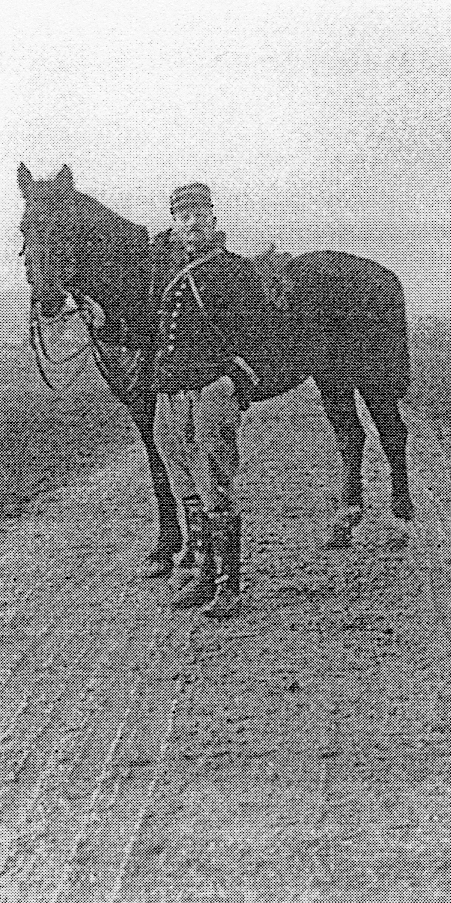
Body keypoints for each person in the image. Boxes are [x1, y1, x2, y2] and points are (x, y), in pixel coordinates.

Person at [151, 182, 267, 619]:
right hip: (175, 387)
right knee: (181, 474)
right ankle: (202, 571)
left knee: (215, 478)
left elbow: (256, 331)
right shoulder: (167, 273)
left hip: (213, 386)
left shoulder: (232, 271)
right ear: (176, 225)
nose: (192, 222)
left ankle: (229, 585)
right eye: (183, 216)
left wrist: (238, 377)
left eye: (200, 214)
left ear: (213, 220)